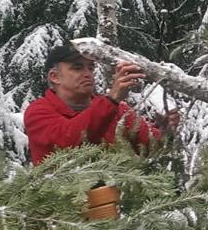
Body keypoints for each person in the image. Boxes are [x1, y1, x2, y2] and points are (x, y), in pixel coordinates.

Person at [24, 43, 176, 165]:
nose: (87, 73)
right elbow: (69, 141)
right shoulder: (38, 111)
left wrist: (166, 131)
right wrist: (111, 100)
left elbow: (150, 148)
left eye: (90, 67)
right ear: (54, 76)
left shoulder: (116, 109)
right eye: (77, 67)